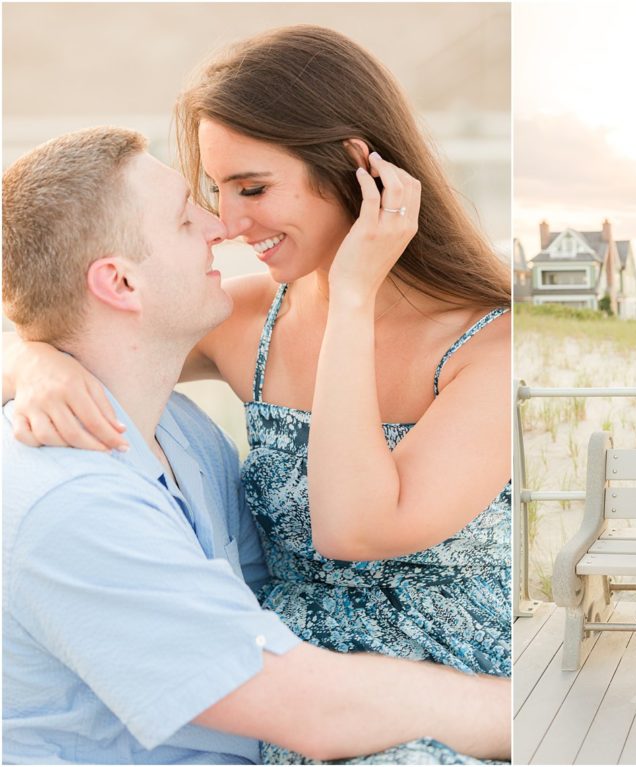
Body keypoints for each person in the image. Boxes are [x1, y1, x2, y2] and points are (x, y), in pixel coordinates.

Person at [3, 26, 511, 764]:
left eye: (252, 188)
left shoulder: (489, 346)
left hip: (448, 691)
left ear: (357, 170)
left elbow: (355, 526)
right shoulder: (244, 320)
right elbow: (91, 325)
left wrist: (354, 295)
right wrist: (37, 360)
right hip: (296, 698)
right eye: (212, 194)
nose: (228, 226)